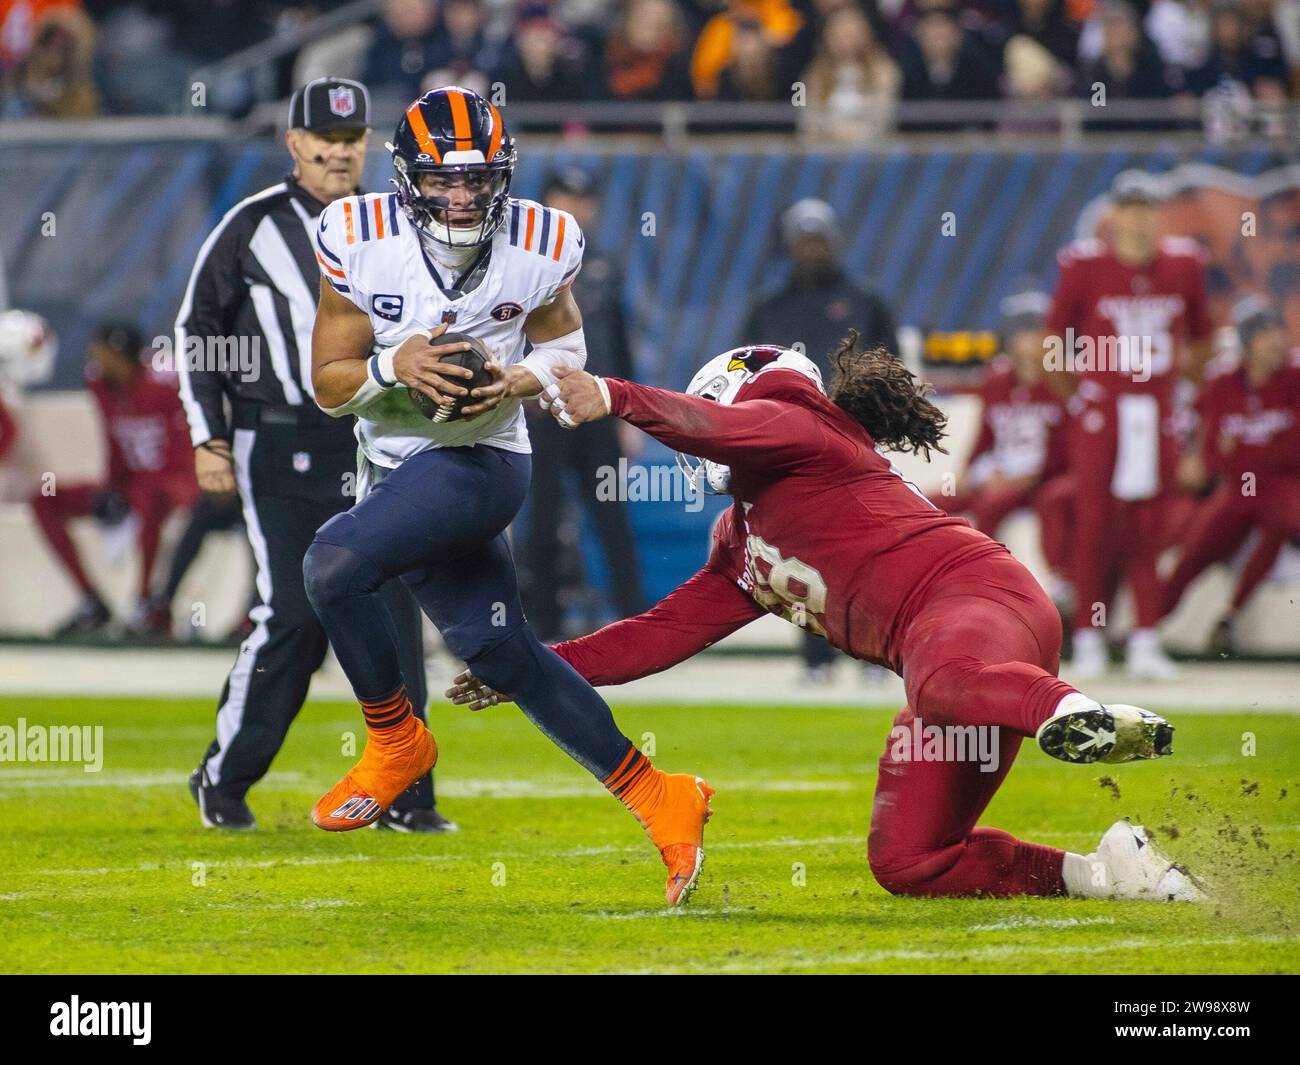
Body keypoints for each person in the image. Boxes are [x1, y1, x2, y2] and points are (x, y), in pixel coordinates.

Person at [452, 339, 1204, 903]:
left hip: (975, 603)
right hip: (955, 667)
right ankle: (1108, 870)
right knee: (911, 861)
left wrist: (613, 394)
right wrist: (535, 667)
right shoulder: (742, 540)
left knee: (942, 680)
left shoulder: (803, 431)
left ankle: (1077, 713)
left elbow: (713, 429)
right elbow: (662, 631)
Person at [305, 86, 712, 906]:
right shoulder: (356, 236)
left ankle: (394, 741)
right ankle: (661, 793)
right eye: (443, 180)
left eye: (477, 179)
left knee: (332, 564)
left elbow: (567, 346)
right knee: (501, 655)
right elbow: (327, 381)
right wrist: (396, 365)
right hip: (398, 467)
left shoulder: (542, 239)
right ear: (407, 176)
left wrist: (518, 377)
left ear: (503, 177)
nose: (460, 196)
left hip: (482, 461)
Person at [175, 78, 450, 834]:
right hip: (281, 438)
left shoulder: (403, 222)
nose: (338, 152)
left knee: (395, 610)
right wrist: (210, 434)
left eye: (352, 139)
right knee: (294, 615)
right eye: (323, 140)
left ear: (369, 145)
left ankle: (408, 793)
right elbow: (199, 331)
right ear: (293, 143)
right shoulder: (251, 225)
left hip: (377, 436)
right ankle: (224, 776)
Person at [1044, 169, 1215, 680]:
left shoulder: (1184, 265)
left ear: (1158, 215)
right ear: (1113, 215)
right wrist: (1082, 399)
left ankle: (1144, 638)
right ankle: (1089, 641)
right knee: (1095, 525)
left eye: (1148, 210)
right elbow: (1054, 339)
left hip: (1157, 409)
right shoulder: (1085, 266)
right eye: (1131, 209)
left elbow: (1204, 337)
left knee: (1149, 527)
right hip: (1106, 410)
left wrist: (1180, 387)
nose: (1140, 220)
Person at [743, 197, 897, 682]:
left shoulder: (865, 303)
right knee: (800, 557)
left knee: (868, 552)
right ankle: (815, 658)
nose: (811, 249)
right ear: (790, 246)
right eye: (803, 240)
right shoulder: (768, 310)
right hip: (788, 450)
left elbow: (892, 374)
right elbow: (740, 375)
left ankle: (875, 654)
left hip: (853, 446)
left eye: (819, 240)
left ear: (834, 243)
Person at [520, 168, 646, 641]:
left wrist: (628, 413)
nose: (574, 207)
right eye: (564, 197)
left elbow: (618, 341)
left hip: (598, 410)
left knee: (613, 520)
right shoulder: (523, 263)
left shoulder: (604, 265)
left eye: (581, 198)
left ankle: (637, 624)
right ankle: (545, 629)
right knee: (543, 520)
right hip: (542, 411)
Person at [31, 322, 197, 637]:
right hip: (131, 483)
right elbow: (113, 440)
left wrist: (133, 490)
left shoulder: (164, 383)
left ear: (122, 355)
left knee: (149, 495)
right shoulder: (100, 385)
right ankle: (91, 601)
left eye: (103, 353)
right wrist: (111, 488)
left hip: (175, 482)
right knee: (44, 499)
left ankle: (145, 604)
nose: (96, 360)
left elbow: (182, 454)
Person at [1160, 299, 1300, 653]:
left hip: (1282, 484)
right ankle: (1145, 629)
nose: (1277, 342)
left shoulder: (1294, 379)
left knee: (1283, 523)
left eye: (1279, 333)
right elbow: (1210, 456)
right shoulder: (1223, 381)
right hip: (1237, 487)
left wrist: (1239, 449)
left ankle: (1230, 617)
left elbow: (1293, 450)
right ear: (1248, 343)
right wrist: (1250, 452)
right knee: (1193, 555)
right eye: (1267, 335)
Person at [947, 291, 1068, 570]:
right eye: (1022, 333)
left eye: (1035, 333)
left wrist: (1026, 478)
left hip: (1040, 477)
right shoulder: (997, 380)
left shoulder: (1063, 381)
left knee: (989, 505)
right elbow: (986, 436)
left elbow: (1067, 445)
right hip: (1002, 471)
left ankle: (985, 576)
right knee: (932, 502)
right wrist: (967, 470)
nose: (1029, 341)